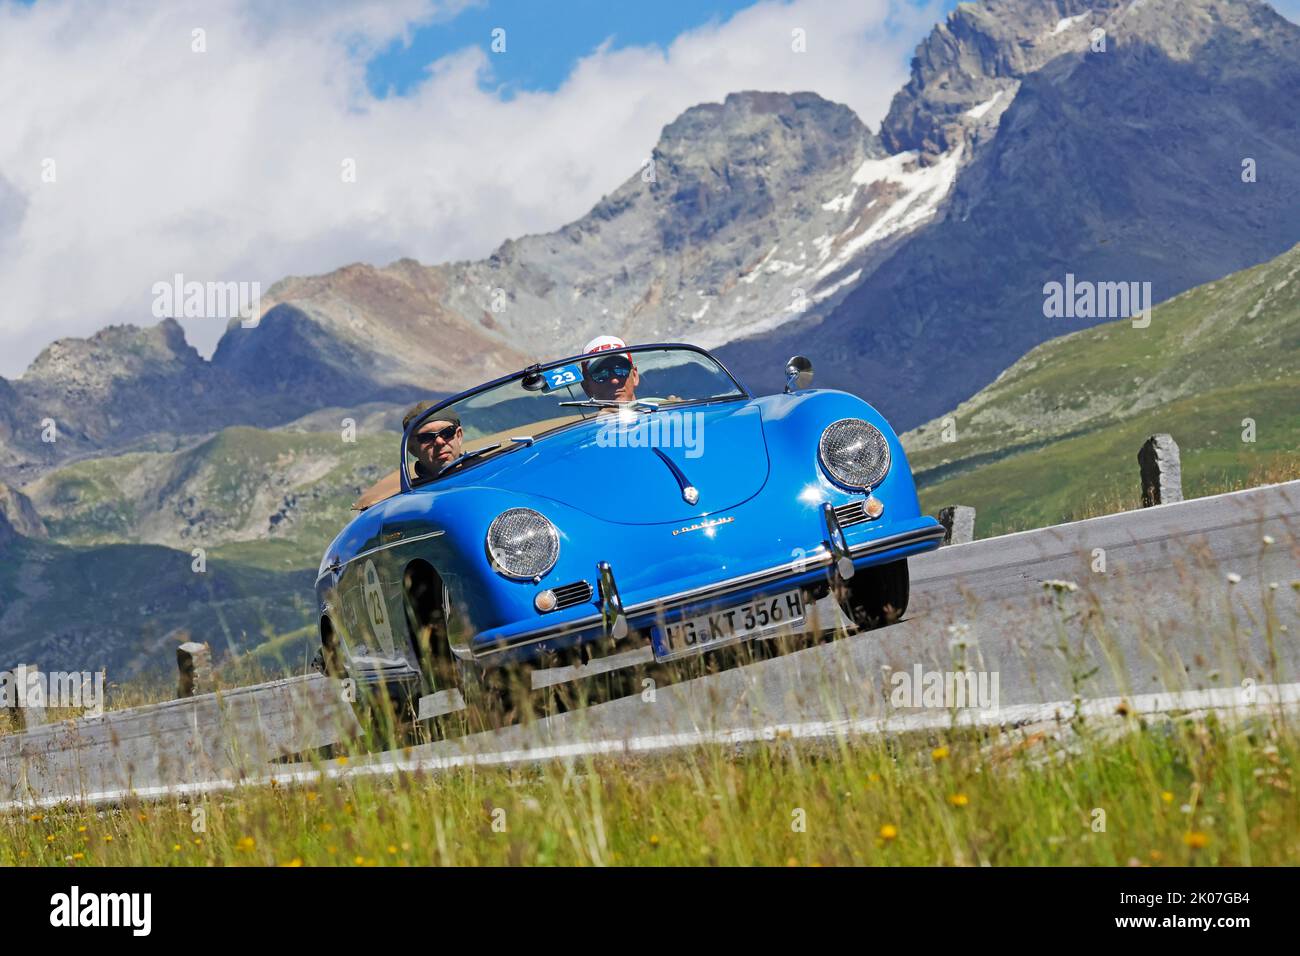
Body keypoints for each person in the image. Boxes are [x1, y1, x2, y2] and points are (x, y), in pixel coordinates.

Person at [351, 402, 463, 511]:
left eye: (447, 432)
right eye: (426, 437)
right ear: (413, 449)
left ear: (459, 436)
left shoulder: (480, 468)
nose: (439, 441)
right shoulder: (408, 501)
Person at [580, 334, 640, 405]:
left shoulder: (655, 411)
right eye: (601, 374)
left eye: (621, 369)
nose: (614, 381)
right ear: (587, 387)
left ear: (634, 376)